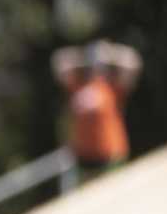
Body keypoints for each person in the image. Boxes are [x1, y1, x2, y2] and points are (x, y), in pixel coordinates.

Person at [52, 40, 142, 187]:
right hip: (83, 158)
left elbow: (133, 62)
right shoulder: (76, 86)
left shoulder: (113, 88)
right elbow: (58, 60)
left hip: (110, 155)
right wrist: (85, 55)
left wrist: (109, 53)